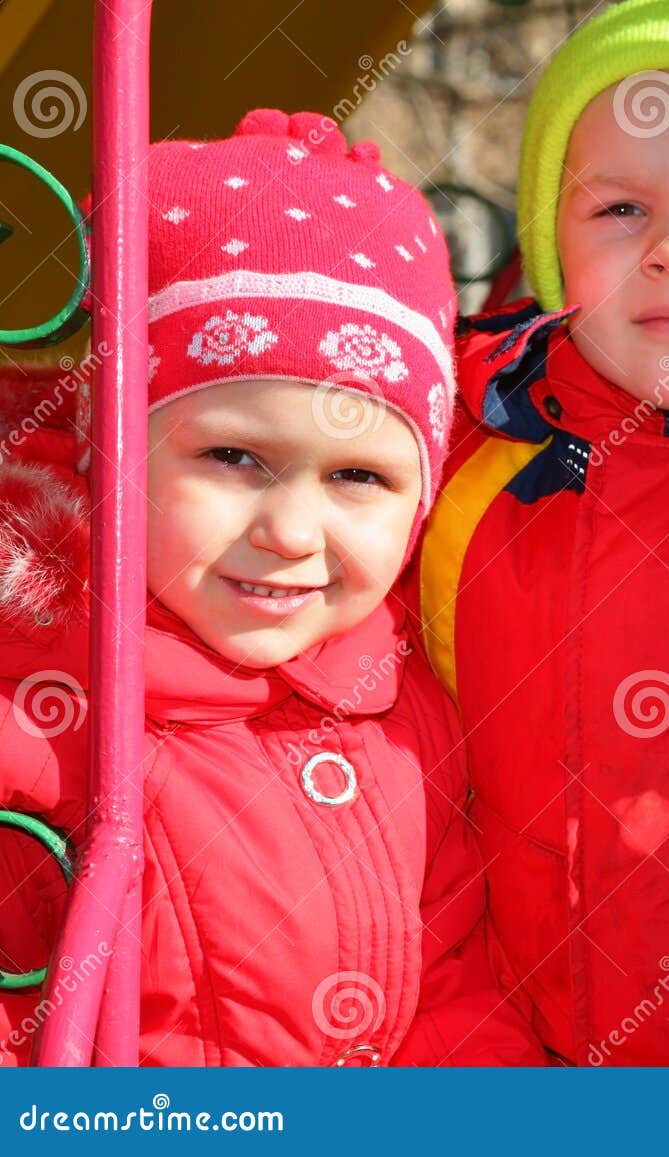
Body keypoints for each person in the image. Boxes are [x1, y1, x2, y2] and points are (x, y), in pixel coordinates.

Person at [0, 111, 540, 1066]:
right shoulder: (39, 729)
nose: (291, 532)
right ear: (107, 450)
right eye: (236, 456)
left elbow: (451, 987)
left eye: (358, 477)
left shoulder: (406, 708)